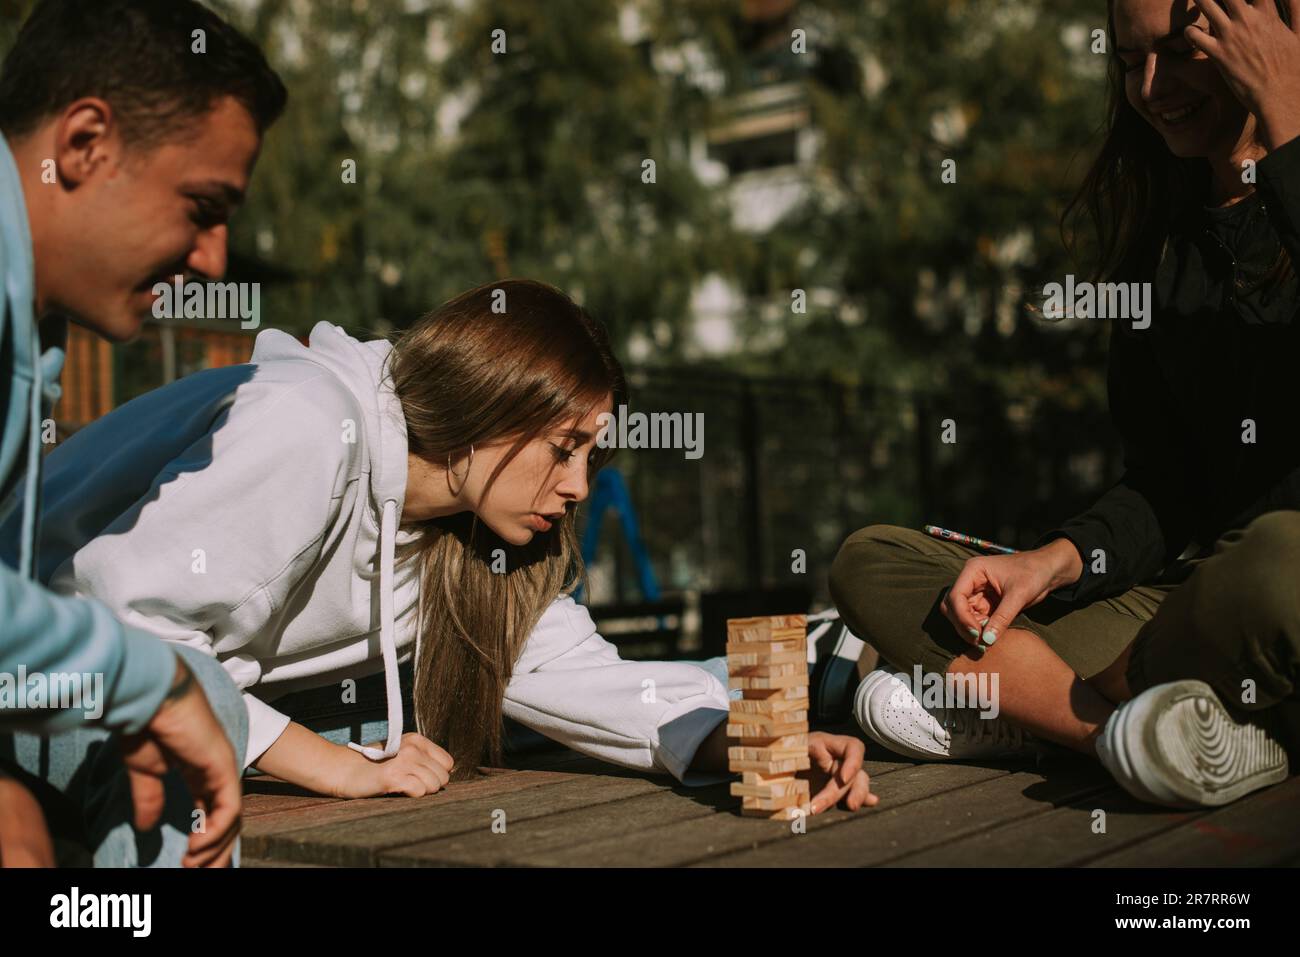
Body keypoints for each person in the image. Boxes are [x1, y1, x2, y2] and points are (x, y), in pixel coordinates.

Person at [29, 278, 878, 815]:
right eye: (564, 446)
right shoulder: (307, 424)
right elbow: (116, 629)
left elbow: (562, 670)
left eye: (593, 454)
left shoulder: (477, 532)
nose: (580, 484)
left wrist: (743, 737)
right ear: (485, 412)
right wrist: (334, 766)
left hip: (149, 729)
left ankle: (834, 667)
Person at [831, 0, 1299, 809]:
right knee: (871, 561)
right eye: (1127, 60)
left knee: (1281, 560)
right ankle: (1112, 729)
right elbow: (1168, 481)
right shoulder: (1166, 239)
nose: (1151, 86)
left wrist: (1289, 114)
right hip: (1182, 608)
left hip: (1272, 592)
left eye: (1181, 50)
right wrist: (1055, 560)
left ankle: (1042, 708)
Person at [0, 0, 286, 865]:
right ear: (85, 143)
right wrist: (139, 678)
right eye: (202, 206)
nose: (213, 260)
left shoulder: (32, 326)